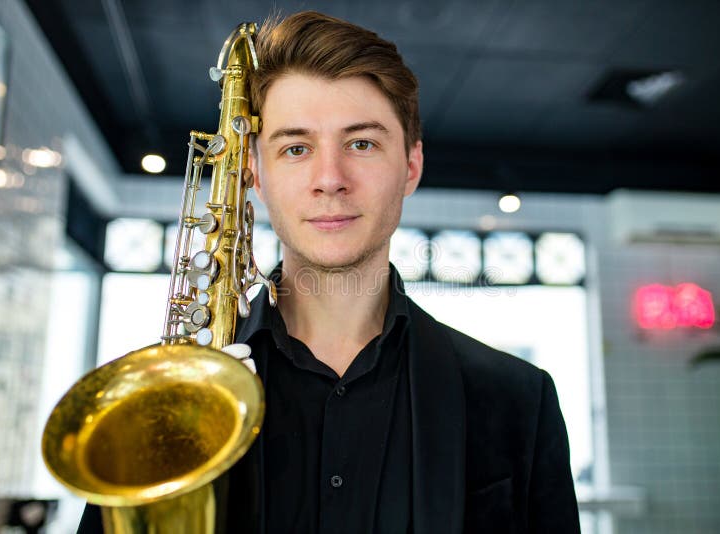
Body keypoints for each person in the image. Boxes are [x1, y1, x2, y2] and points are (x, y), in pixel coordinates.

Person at [78, 10, 580, 534]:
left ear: (411, 166)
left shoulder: (520, 400)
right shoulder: (152, 403)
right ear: (254, 172)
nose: (329, 179)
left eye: (361, 143)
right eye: (295, 148)